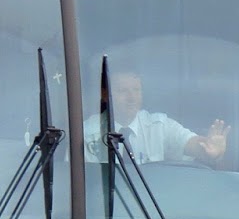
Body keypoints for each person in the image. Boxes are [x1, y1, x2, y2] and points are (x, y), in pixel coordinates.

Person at [83, 69, 228, 165]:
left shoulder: (160, 125)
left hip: (152, 208)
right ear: (107, 96)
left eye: (136, 90)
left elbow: (190, 143)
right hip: (106, 209)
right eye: (123, 91)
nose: (132, 97)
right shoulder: (88, 133)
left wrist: (210, 149)